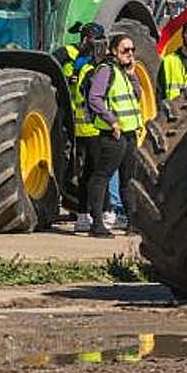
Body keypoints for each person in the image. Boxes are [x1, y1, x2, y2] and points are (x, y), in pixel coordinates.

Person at [82, 33, 143, 238]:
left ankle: (132, 223)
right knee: (102, 176)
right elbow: (95, 98)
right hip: (113, 134)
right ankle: (97, 223)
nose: (130, 54)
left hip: (129, 133)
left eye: (132, 50)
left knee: (128, 179)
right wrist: (112, 121)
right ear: (114, 51)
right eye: (126, 50)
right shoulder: (106, 70)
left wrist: (133, 74)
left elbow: (137, 96)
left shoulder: (124, 72)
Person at [54, 23, 105, 233]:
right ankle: (81, 210)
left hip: (92, 126)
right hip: (70, 119)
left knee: (95, 171)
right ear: (86, 39)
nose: (97, 45)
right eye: (94, 40)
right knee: (79, 169)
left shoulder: (97, 63)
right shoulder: (66, 53)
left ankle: (98, 211)